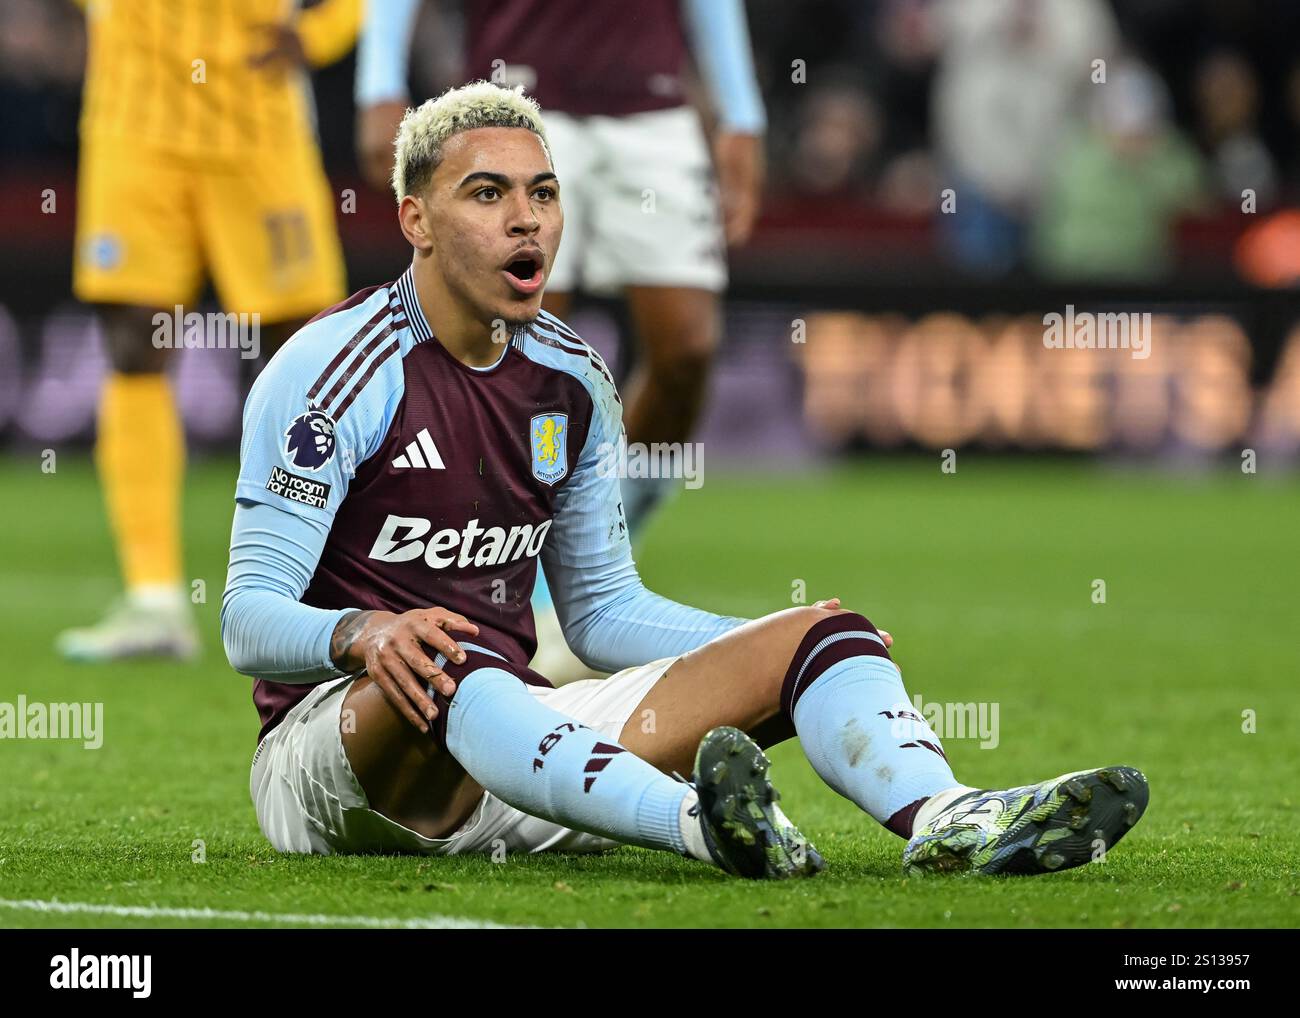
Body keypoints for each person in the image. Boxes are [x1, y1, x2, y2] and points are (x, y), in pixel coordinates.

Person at [222, 83, 1149, 878]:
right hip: (336, 762)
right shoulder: (331, 374)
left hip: (515, 746)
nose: (525, 218)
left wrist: (752, 643)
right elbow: (246, 620)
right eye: (487, 193)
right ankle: (704, 826)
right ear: (415, 219)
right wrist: (366, 631)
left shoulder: (574, 378)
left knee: (822, 635)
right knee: (452, 658)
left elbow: (599, 613)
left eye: (543, 194)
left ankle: (953, 822)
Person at [354, 0, 768, 680]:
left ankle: (595, 573)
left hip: (654, 107)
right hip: (518, 103)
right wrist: (378, 84)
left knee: (686, 350)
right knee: (520, 352)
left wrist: (741, 113)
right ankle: (524, 596)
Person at [59, 0, 358, 661]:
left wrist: (323, 31)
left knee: (309, 354)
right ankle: (155, 597)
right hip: (133, 126)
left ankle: (329, 578)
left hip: (256, 123)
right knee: (136, 342)